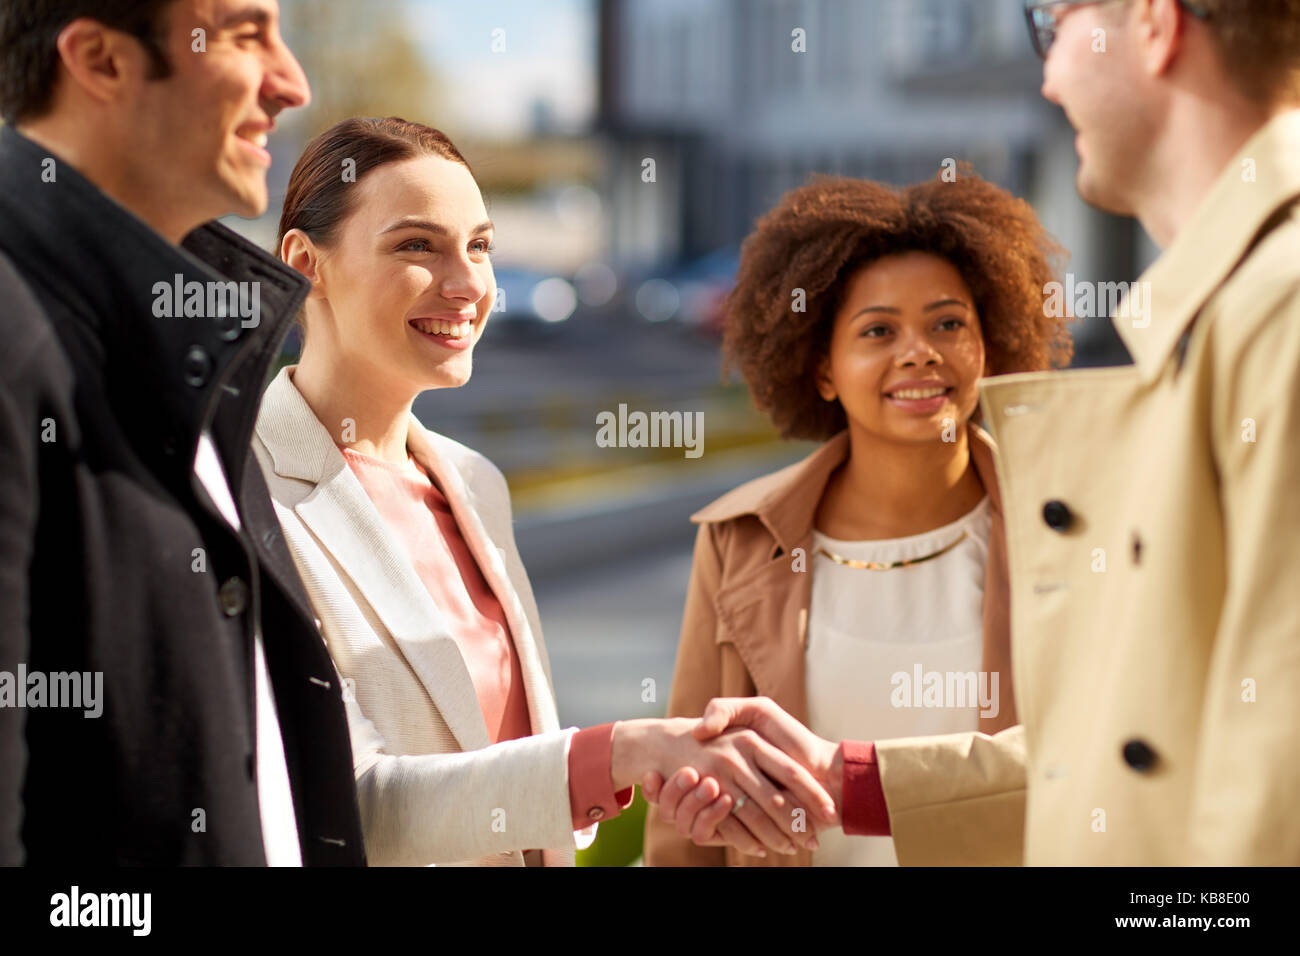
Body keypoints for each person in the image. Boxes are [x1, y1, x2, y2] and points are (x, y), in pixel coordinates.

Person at [646, 0, 1300, 866]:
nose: (1048, 74)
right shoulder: (1227, 318)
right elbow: (1119, 757)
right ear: (820, 366)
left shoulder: (1273, 315)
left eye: (1052, 20)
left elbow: (1264, 779)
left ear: (1152, 23)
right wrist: (842, 780)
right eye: (876, 331)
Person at [254, 116, 838, 866]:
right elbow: (342, 804)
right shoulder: (247, 490)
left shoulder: (473, 484)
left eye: (480, 245)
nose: (468, 285)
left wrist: (651, 778)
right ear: (307, 265)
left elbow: (510, 760)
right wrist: (614, 755)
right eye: (416, 246)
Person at [0, 0, 366, 865]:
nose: (292, 83)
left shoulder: (191, 344)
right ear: (100, 60)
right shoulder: (20, 346)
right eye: (246, 35)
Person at [642, 171, 1072, 867]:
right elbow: (683, 814)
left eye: (948, 324)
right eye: (878, 330)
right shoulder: (739, 540)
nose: (918, 351)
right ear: (823, 371)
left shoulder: (1075, 527)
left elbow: (1105, 757)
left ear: (987, 346)